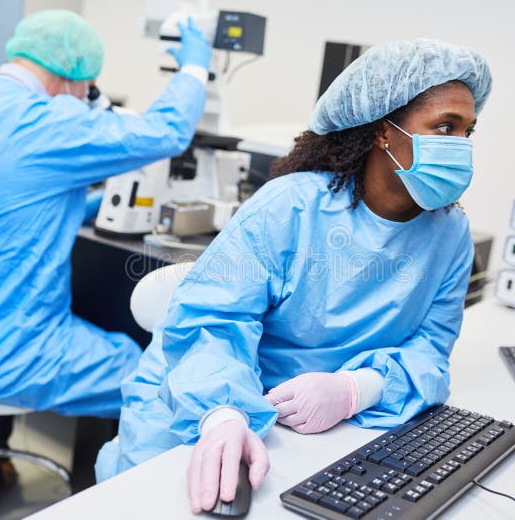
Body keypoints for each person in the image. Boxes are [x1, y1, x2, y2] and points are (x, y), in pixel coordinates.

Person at [95, 38, 492, 513]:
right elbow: (211, 323)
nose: (460, 147)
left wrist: (358, 389)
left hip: (319, 428)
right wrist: (221, 414)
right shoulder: (290, 207)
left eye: (467, 131)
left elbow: (430, 350)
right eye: (443, 127)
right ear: (384, 131)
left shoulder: (450, 234)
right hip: (199, 401)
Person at [0, 10, 210, 435]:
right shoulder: (50, 121)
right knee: (150, 375)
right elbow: (167, 132)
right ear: (69, 77)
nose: (85, 97)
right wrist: (195, 63)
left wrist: (86, 204)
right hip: (5, 358)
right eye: (87, 89)